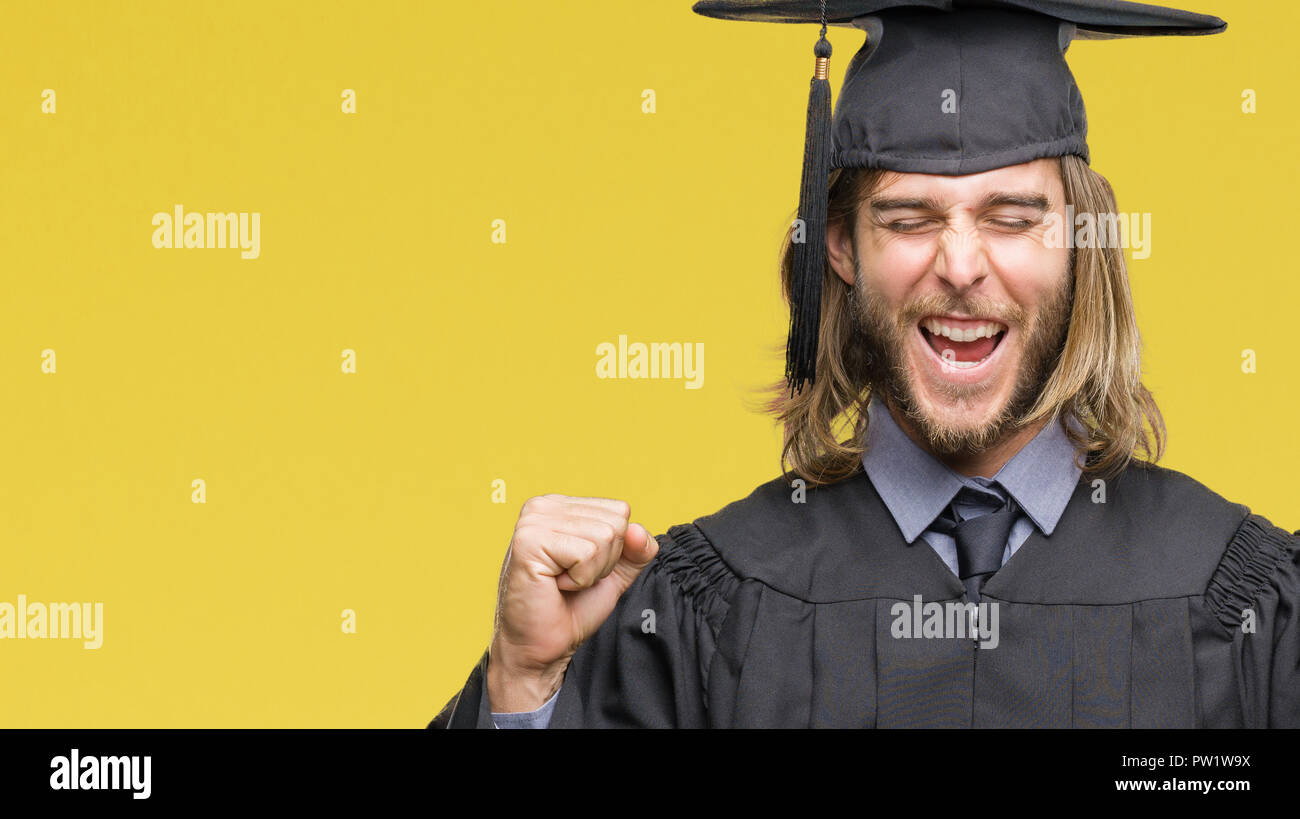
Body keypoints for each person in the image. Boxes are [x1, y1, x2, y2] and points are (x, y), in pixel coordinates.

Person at [432, 0, 1298, 728]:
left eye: (1011, 216)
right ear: (839, 246)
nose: (961, 267)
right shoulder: (707, 609)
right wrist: (523, 683)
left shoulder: (1247, 604)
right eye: (910, 218)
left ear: (1080, 242)